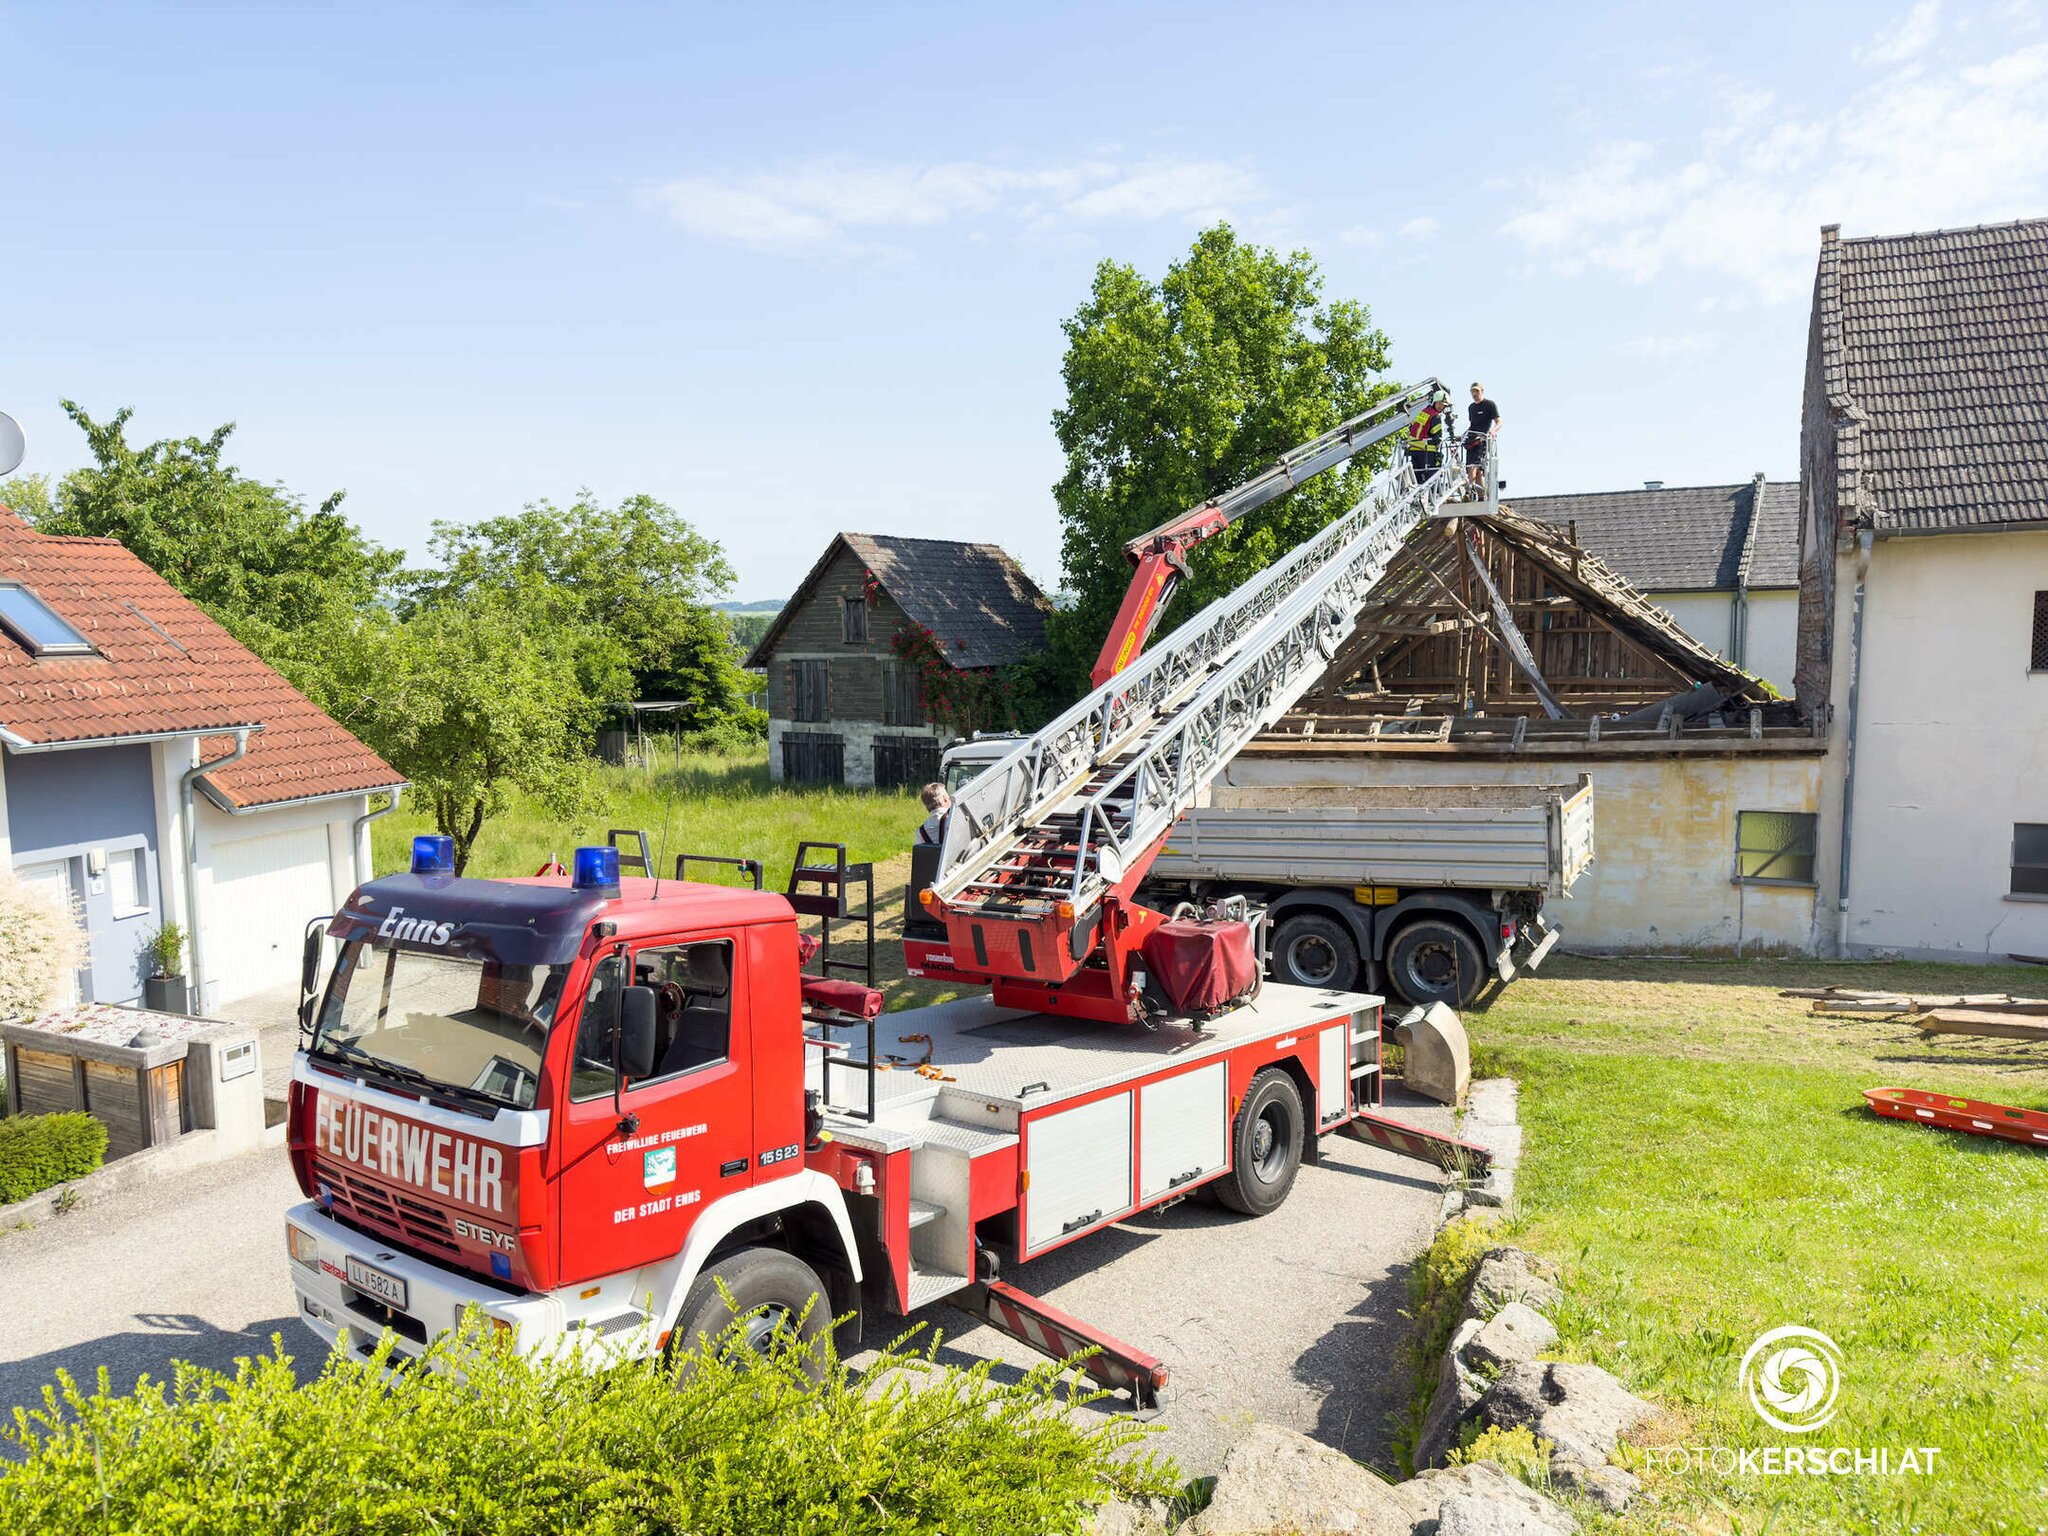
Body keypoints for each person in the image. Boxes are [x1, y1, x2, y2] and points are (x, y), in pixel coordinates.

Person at [1404, 390, 1451, 484]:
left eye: (1443, 405)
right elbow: (1437, 436)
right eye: (1439, 403)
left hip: (1414, 450)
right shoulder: (1435, 416)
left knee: (1418, 480)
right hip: (1427, 452)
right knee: (1432, 481)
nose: (1441, 406)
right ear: (1434, 402)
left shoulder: (1423, 412)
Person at [1464, 382, 1501, 494]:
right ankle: (1480, 496)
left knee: (1474, 467)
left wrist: (1493, 431)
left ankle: (1469, 492)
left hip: (1482, 441)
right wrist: (1463, 435)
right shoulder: (1471, 407)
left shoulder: (1489, 404)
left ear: (1482, 391)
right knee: (1477, 471)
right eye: (1472, 391)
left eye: (1477, 391)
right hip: (1471, 440)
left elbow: (1499, 422)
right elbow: (1472, 425)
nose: (1474, 394)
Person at [915, 782, 951, 846]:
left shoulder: (920, 831)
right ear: (945, 799)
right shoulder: (952, 819)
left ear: (927, 807)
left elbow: (919, 850)